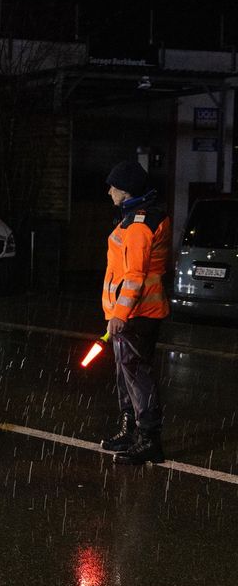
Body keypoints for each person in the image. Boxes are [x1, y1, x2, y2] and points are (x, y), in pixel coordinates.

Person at [99, 160, 171, 465]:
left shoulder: (139, 224)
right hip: (135, 314)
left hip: (137, 315)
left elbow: (134, 276)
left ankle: (148, 439)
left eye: (113, 186)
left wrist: (120, 315)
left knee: (138, 377)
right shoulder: (136, 217)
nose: (109, 192)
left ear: (125, 190)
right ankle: (132, 431)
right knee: (126, 375)